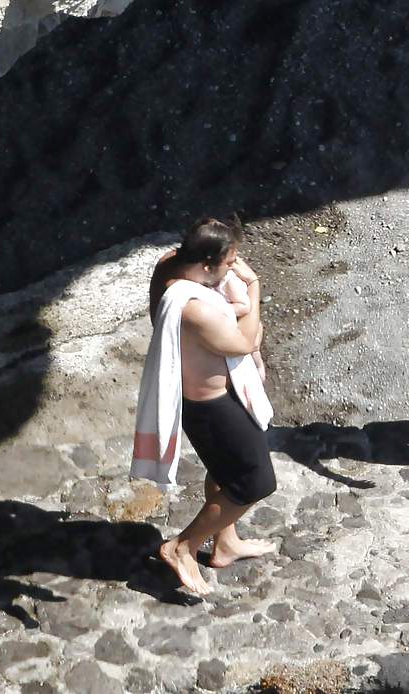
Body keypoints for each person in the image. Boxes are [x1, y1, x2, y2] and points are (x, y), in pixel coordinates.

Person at [144, 218, 277, 595]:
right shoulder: (193, 308)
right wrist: (253, 287)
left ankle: (226, 543)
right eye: (230, 262)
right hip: (211, 407)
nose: (234, 269)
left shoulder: (169, 263)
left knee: (223, 471)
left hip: (214, 395)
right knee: (255, 481)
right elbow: (244, 342)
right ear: (206, 263)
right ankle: (181, 547)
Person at [218, 270, 268, 382]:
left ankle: (259, 376)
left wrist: (218, 309)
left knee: (254, 351)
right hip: (234, 325)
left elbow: (243, 306)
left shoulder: (227, 280)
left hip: (245, 322)